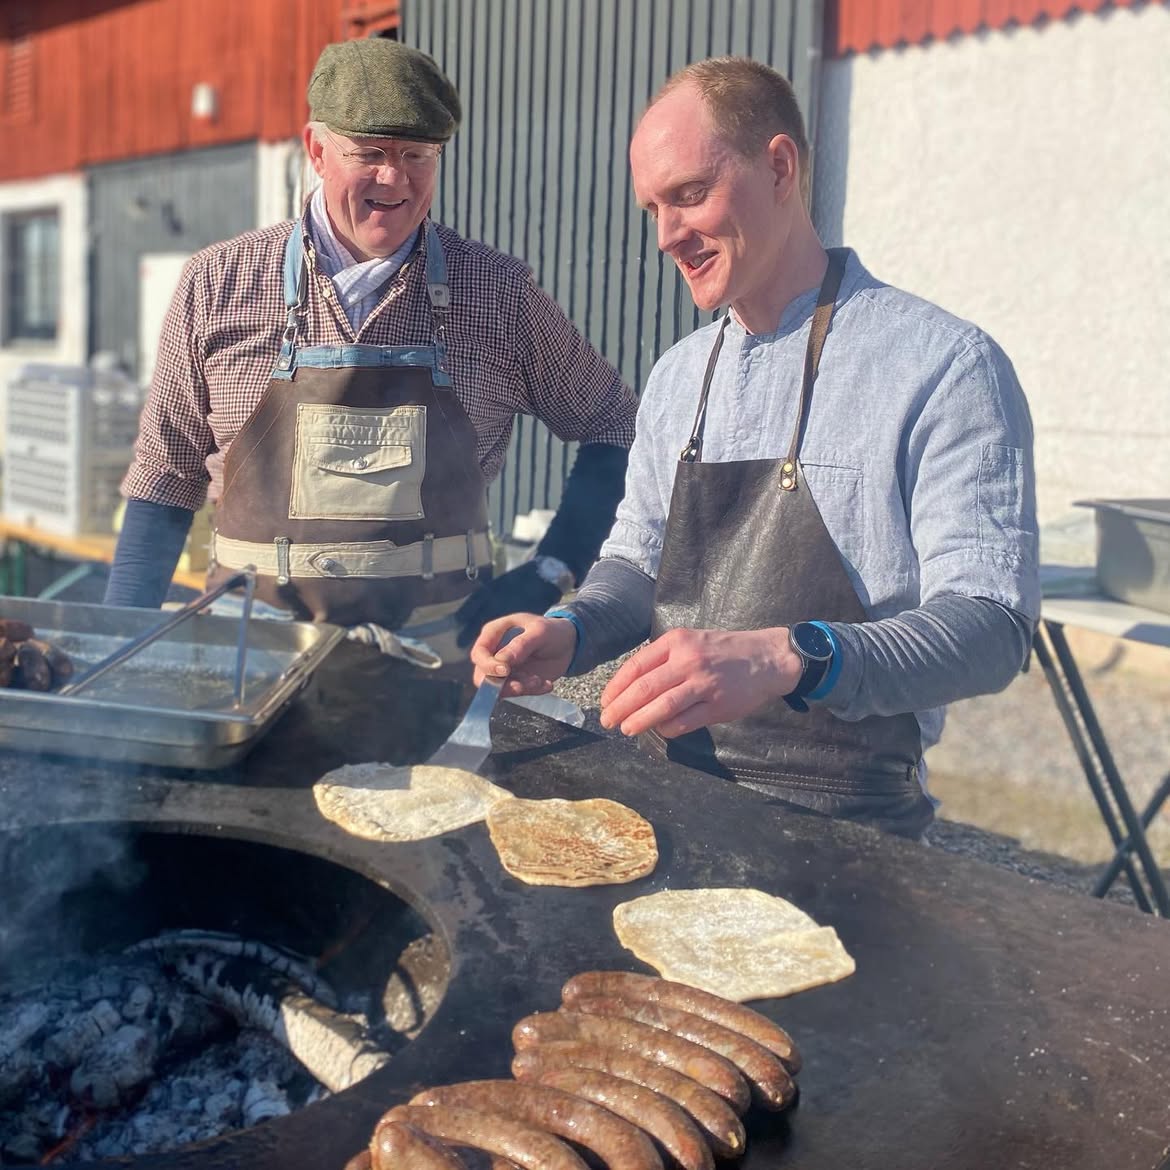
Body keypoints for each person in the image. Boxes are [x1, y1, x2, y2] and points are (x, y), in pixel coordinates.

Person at [471, 56, 1040, 837]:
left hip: (847, 825)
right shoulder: (679, 377)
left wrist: (790, 658)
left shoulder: (941, 366)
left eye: (690, 194)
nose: (669, 234)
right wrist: (570, 631)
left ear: (779, 167)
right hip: (669, 800)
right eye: (653, 209)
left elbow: (990, 628)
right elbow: (636, 567)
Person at [104, 38, 636, 665]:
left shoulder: (498, 292)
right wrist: (115, 652)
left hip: (436, 671)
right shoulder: (219, 282)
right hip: (246, 661)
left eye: (417, 154)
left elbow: (617, 424)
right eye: (371, 154)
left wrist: (552, 571)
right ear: (317, 150)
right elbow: (165, 476)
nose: (395, 178)